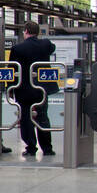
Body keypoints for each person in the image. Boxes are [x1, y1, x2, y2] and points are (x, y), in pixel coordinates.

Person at [11, 20, 59, 158]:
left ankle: (31, 148)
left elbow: (13, 70)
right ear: (37, 32)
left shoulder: (17, 49)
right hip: (41, 89)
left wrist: (10, 88)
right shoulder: (46, 45)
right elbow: (52, 47)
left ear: (25, 31)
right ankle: (47, 148)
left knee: (26, 118)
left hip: (24, 90)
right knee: (43, 116)